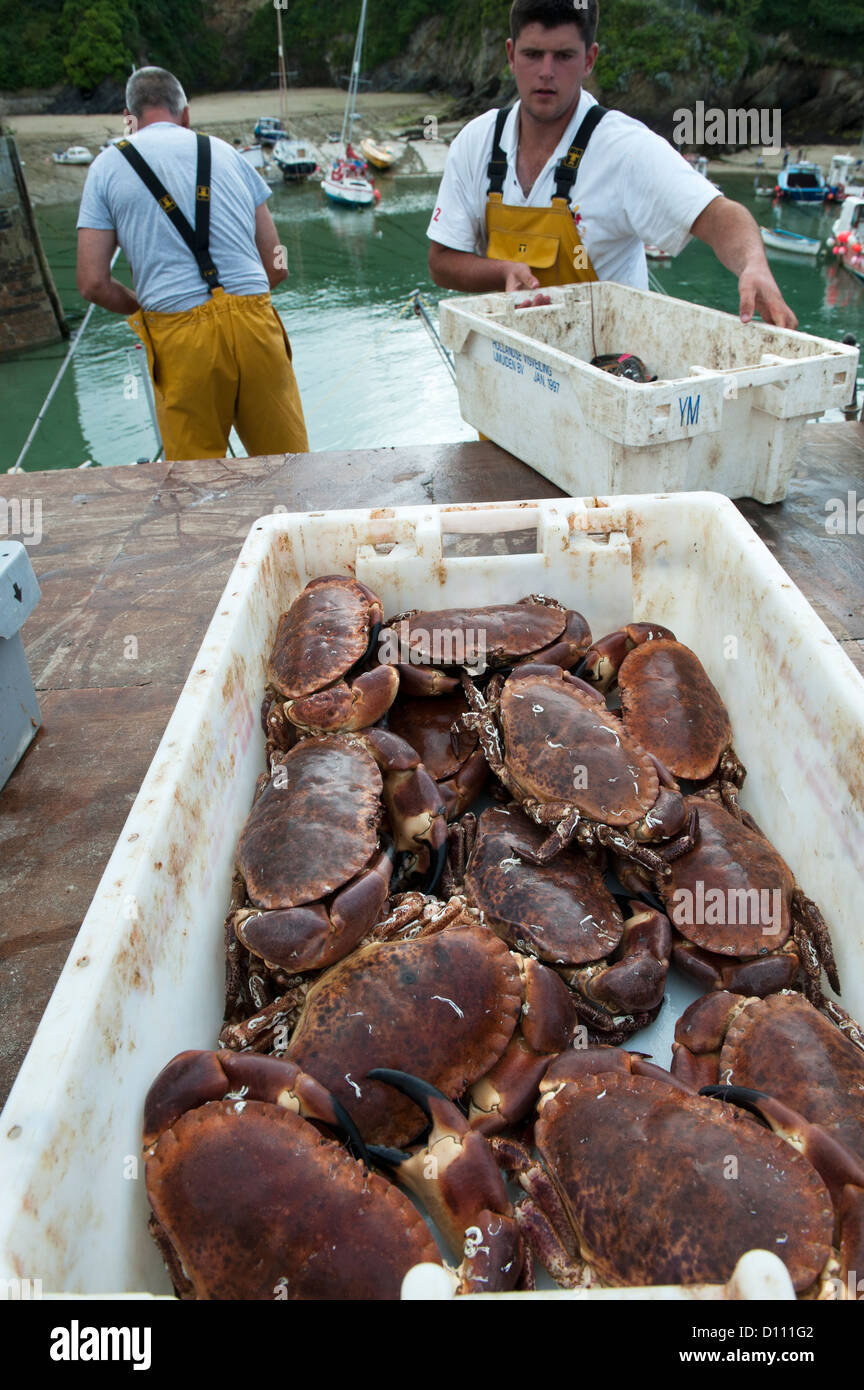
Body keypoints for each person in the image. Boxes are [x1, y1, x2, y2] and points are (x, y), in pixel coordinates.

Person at [427, 0, 796, 328]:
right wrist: (503, 272)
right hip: (510, 372)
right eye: (532, 54)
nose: (546, 71)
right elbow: (441, 260)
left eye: (564, 56)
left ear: (590, 59)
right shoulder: (476, 143)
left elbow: (718, 215)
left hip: (607, 380)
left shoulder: (625, 149)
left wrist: (753, 264)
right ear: (510, 55)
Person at [76, 67, 309, 461]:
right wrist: (247, 298)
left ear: (128, 119)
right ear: (186, 114)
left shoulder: (106, 168)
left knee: (197, 489)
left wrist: (145, 309)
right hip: (256, 326)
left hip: (180, 337)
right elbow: (277, 261)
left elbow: (92, 282)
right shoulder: (230, 154)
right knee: (289, 471)